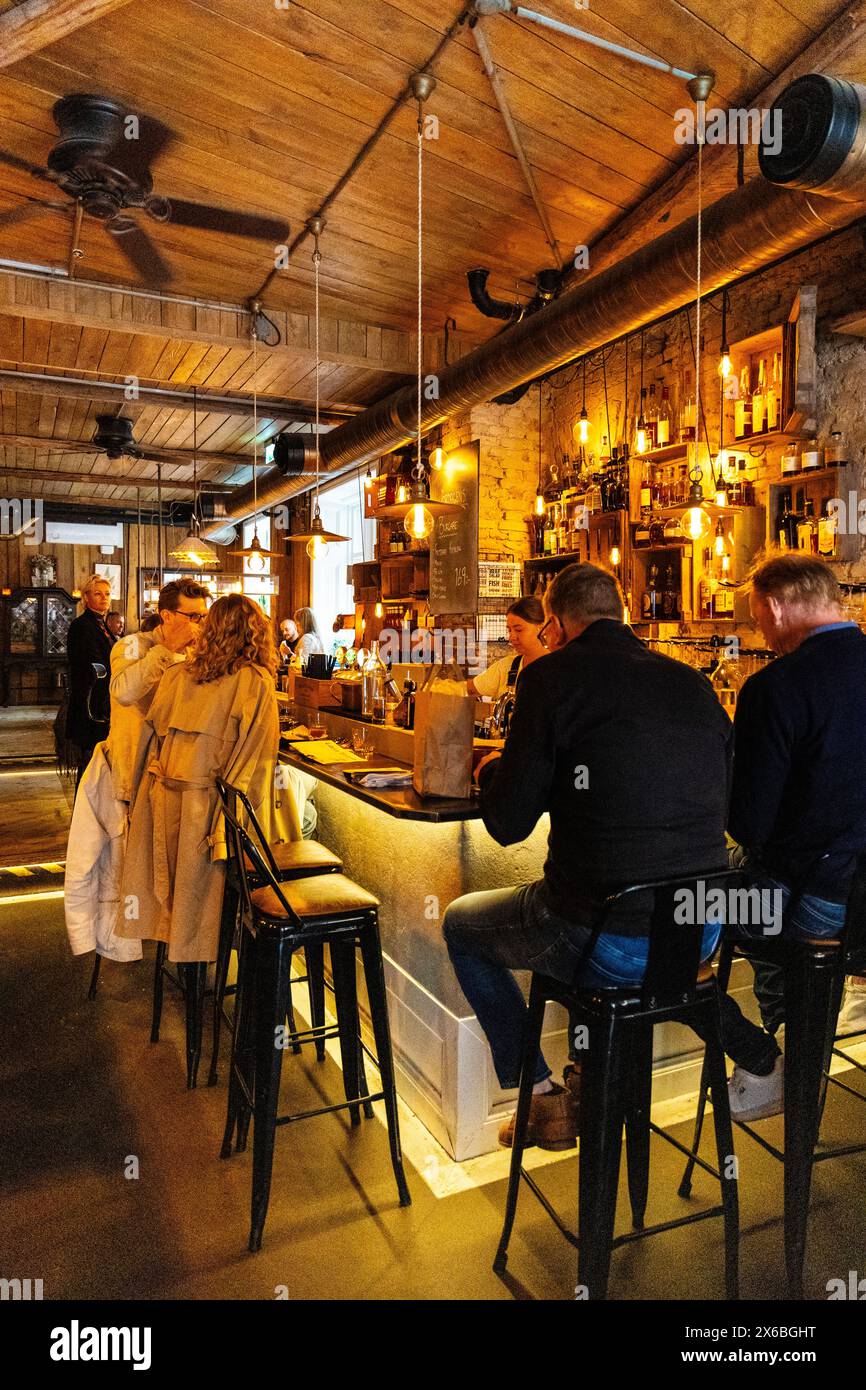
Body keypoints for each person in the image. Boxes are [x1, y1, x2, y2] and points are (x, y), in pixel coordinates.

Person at [442, 562, 732, 1150]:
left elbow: (505, 824)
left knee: (463, 925)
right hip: (700, 933)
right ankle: (590, 1084)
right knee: (570, 899)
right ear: (622, 612)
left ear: (555, 624)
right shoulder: (693, 682)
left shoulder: (548, 679)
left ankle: (544, 1098)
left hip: (606, 937)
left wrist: (497, 769)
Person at [708, 553, 866, 1122]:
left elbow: (749, 825)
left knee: (672, 905)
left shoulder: (775, 687)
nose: (762, 635)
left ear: (775, 605)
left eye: (758, 621)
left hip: (810, 905)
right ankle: (805, 1048)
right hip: (854, 904)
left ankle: (768, 1058)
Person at [119, 594, 301, 964]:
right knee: (295, 822)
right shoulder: (256, 683)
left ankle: (187, 972)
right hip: (212, 830)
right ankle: (264, 964)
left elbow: (147, 749)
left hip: (160, 816)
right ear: (258, 635)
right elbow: (254, 775)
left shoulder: (174, 677)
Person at [64, 579, 211, 965]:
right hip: (131, 777)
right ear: (167, 615)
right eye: (193, 616)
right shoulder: (131, 646)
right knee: (136, 872)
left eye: (204, 617)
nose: (200, 624)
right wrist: (167, 650)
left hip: (173, 782)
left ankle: (179, 941)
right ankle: (138, 938)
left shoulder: (198, 653)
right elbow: (124, 690)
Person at [66, 574, 113, 790]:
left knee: (100, 767)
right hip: (90, 705)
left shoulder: (104, 625)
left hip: (102, 701)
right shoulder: (81, 625)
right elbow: (95, 665)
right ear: (86, 597)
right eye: (98, 594)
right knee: (89, 767)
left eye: (107, 594)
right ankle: (82, 818)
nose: (104, 598)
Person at [467, 596, 547, 700]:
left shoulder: (560, 669)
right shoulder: (507, 667)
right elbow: (471, 689)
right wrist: (442, 686)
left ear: (541, 628)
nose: (511, 637)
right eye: (509, 630)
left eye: (518, 630)